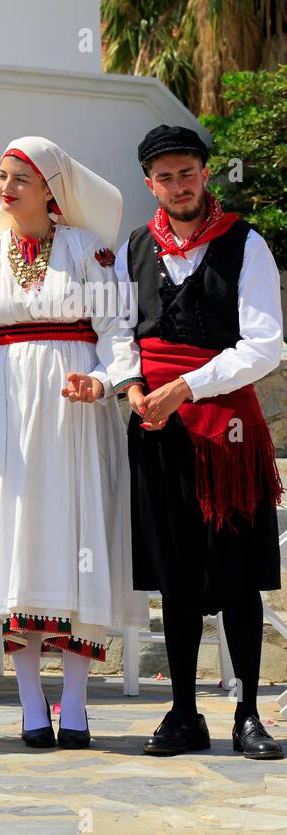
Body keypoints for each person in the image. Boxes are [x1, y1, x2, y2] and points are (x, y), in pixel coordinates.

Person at [0, 136, 145, 750]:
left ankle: (77, 703)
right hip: (6, 411)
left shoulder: (91, 250)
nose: (5, 189)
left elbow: (117, 330)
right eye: (1, 177)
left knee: (75, 534)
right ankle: (31, 703)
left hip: (74, 410)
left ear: (51, 188)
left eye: (19, 180)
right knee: (13, 543)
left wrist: (106, 381)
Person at [116, 125, 284, 759]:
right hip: (156, 430)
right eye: (165, 177)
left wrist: (185, 388)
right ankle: (184, 712)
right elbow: (120, 336)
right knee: (176, 577)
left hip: (226, 437)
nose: (178, 186)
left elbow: (264, 346)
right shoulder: (134, 248)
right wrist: (125, 384)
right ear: (148, 183)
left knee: (238, 578)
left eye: (187, 173)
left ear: (206, 174)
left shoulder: (246, 244)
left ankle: (247, 713)